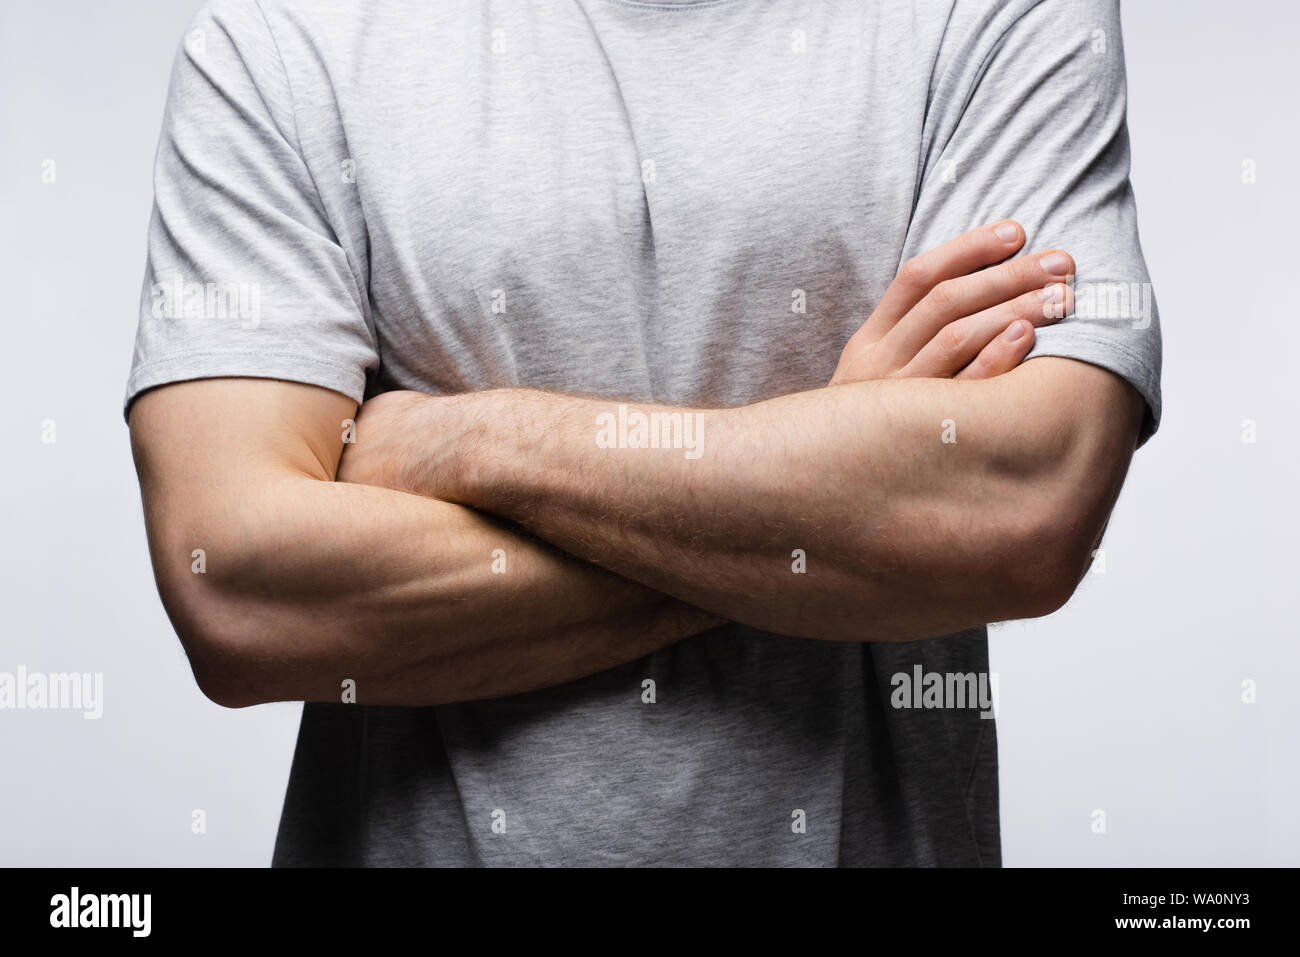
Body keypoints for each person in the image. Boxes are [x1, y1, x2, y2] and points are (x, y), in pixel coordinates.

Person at [125, 0, 1161, 866]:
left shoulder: (996, 15)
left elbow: (1023, 510)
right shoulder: (287, 33)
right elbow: (238, 590)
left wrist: (466, 445)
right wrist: (832, 500)